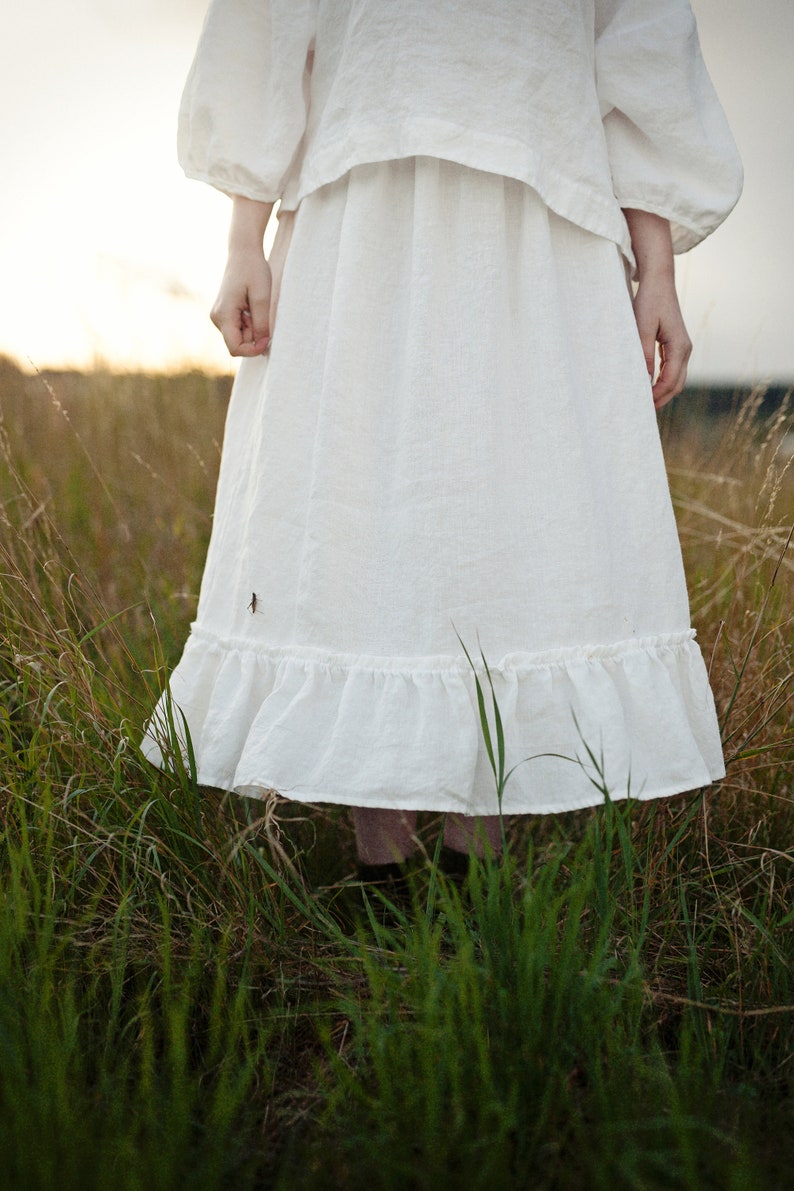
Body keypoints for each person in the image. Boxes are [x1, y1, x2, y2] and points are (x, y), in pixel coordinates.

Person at [142, 0, 742, 885]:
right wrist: (243, 239)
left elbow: (642, 47)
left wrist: (659, 271)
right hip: (359, 213)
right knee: (354, 506)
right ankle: (380, 864)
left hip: (541, 219)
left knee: (510, 515)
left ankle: (477, 863)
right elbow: (264, 28)